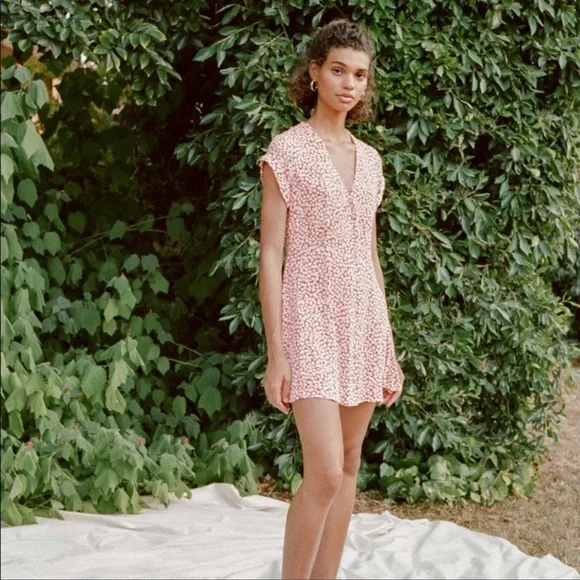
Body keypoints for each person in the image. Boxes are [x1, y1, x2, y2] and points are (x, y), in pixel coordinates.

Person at [257, 18, 406, 580]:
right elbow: (271, 253)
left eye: (360, 75)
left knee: (347, 464)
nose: (349, 84)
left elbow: (370, 255)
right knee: (321, 472)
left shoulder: (371, 160)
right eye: (339, 70)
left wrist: (386, 342)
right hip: (309, 319)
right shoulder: (287, 151)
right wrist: (277, 353)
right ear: (315, 73)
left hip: (362, 321)